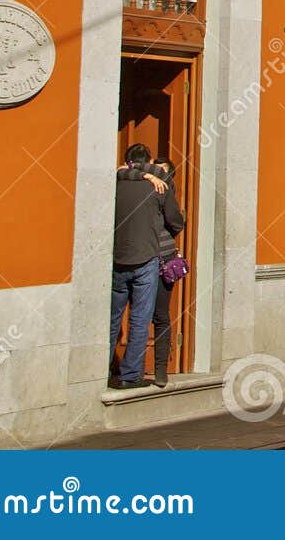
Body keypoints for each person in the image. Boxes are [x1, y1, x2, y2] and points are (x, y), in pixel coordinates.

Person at [109, 143, 180, 390]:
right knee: (140, 318)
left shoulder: (115, 179)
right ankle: (131, 375)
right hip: (147, 256)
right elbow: (175, 220)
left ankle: (103, 371)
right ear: (148, 161)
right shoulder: (158, 182)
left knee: (112, 317)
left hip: (117, 257)